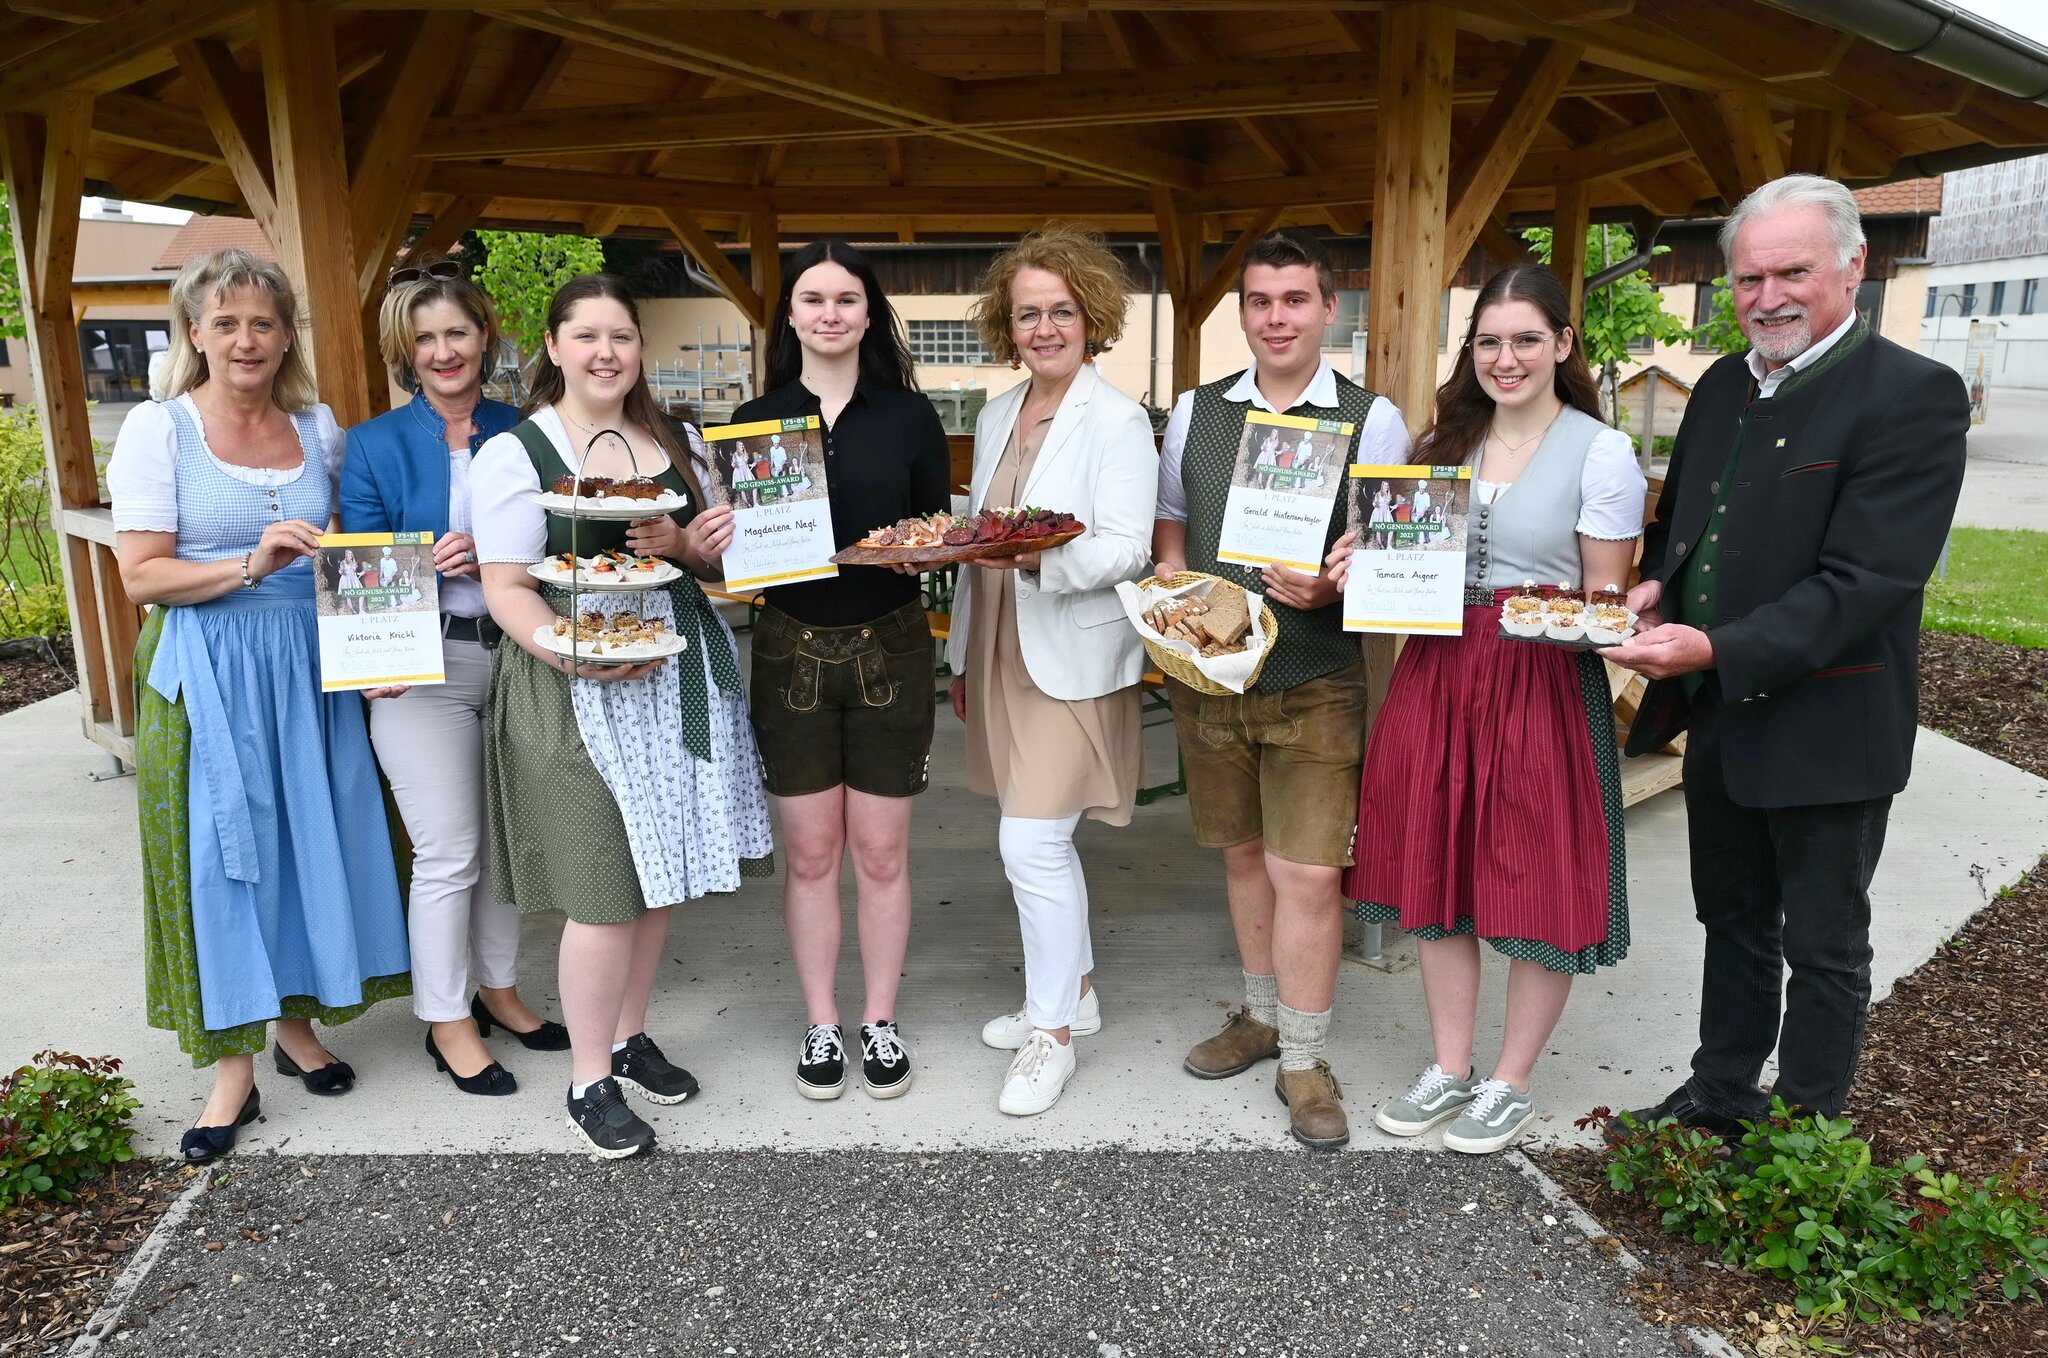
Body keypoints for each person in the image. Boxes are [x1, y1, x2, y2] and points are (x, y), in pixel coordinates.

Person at [1607, 174, 1969, 1133]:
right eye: (1747, 277)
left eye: (1792, 272)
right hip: (1723, 712)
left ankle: (1807, 1133)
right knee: (1731, 921)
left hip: (1831, 722)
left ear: (1854, 267)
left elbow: (1868, 583)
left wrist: (1712, 645)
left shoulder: (1914, 396)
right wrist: (1657, 585)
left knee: (1823, 942)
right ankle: (1721, 1093)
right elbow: (1688, 519)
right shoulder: (1725, 383)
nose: (1766, 297)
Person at [1329, 263, 1646, 1153]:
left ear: (1562, 345)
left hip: (1540, 680)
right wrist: (1369, 558)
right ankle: (1449, 1064)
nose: (1506, 359)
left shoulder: (1600, 452)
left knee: (1533, 873)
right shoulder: (1441, 444)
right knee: (1438, 865)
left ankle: (1510, 1079)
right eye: (1490, 342)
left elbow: (1603, 601)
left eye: (1526, 340)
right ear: (1472, 351)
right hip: (1437, 674)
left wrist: (1576, 625)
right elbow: (1405, 571)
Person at [107, 247, 410, 1164]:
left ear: (286, 337)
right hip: (207, 669)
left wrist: (386, 640)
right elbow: (139, 575)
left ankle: (297, 1027)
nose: (246, 338)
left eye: (263, 322)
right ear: (194, 333)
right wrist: (248, 564)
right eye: (225, 321)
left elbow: (357, 563)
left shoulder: (319, 429)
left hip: (307, 669)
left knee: (304, 845)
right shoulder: (159, 431)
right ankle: (233, 1068)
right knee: (221, 862)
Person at [471, 274, 774, 1158]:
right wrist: (569, 651)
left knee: (657, 878)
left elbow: (721, 570)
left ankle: (631, 1039)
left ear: (640, 349)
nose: (607, 352)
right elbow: (504, 586)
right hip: (572, 686)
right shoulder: (517, 453)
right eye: (587, 336)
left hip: (679, 675)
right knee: (605, 891)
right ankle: (587, 1079)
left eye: (623, 336)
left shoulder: (675, 440)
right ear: (554, 348)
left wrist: (691, 548)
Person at [1152, 230, 1409, 1150]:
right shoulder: (1196, 412)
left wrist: (1342, 580)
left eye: (1294, 300)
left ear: (1326, 308)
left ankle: (1304, 1055)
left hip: (1315, 675)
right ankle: (1260, 1017)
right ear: (1243, 311)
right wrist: (1179, 593)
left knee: (1307, 870)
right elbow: (1174, 525)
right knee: (1240, 856)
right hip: (1213, 677)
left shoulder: (1373, 418)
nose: (1277, 318)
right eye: (1260, 301)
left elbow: (1394, 554)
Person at [340, 256, 570, 1100]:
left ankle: (500, 990)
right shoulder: (369, 446)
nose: (443, 351)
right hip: (418, 665)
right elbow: (356, 567)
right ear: (407, 350)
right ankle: (446, 1017)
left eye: (457, 333)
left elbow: (569, 537)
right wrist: (422, 570)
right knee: (448, 851)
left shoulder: (531, 428)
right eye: (425, 338)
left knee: (507, 841)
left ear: (485, 337)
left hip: (518, 654)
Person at [727, 240, 950, 1102]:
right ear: (790, 315)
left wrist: (918, 555)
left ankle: (879, 1020)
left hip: (890, 642)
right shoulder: (756, 418)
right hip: (788, 648)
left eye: (846, 299)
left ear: (868, 313)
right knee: (813, 854)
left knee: (883, 853)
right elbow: (743, 548)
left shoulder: (908, 416)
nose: (829, 313)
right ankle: (822, 1021)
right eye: (813, 299)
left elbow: (933, 528)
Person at [947, 224, 1156, 1116]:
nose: (1043, 328)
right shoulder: (998, 413)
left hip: (1070, 645)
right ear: (1008, 324)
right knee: (1033, 836)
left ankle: (1052, 1035)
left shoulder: (1118, 420)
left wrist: (1034, 560)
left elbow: (1127, 546)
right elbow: (976, 533)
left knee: (1031, 842)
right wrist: (959, 650)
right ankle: (1077, 993)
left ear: (1092, 316)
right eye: (1027, 314)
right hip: (997, 640)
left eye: (1060, 311)